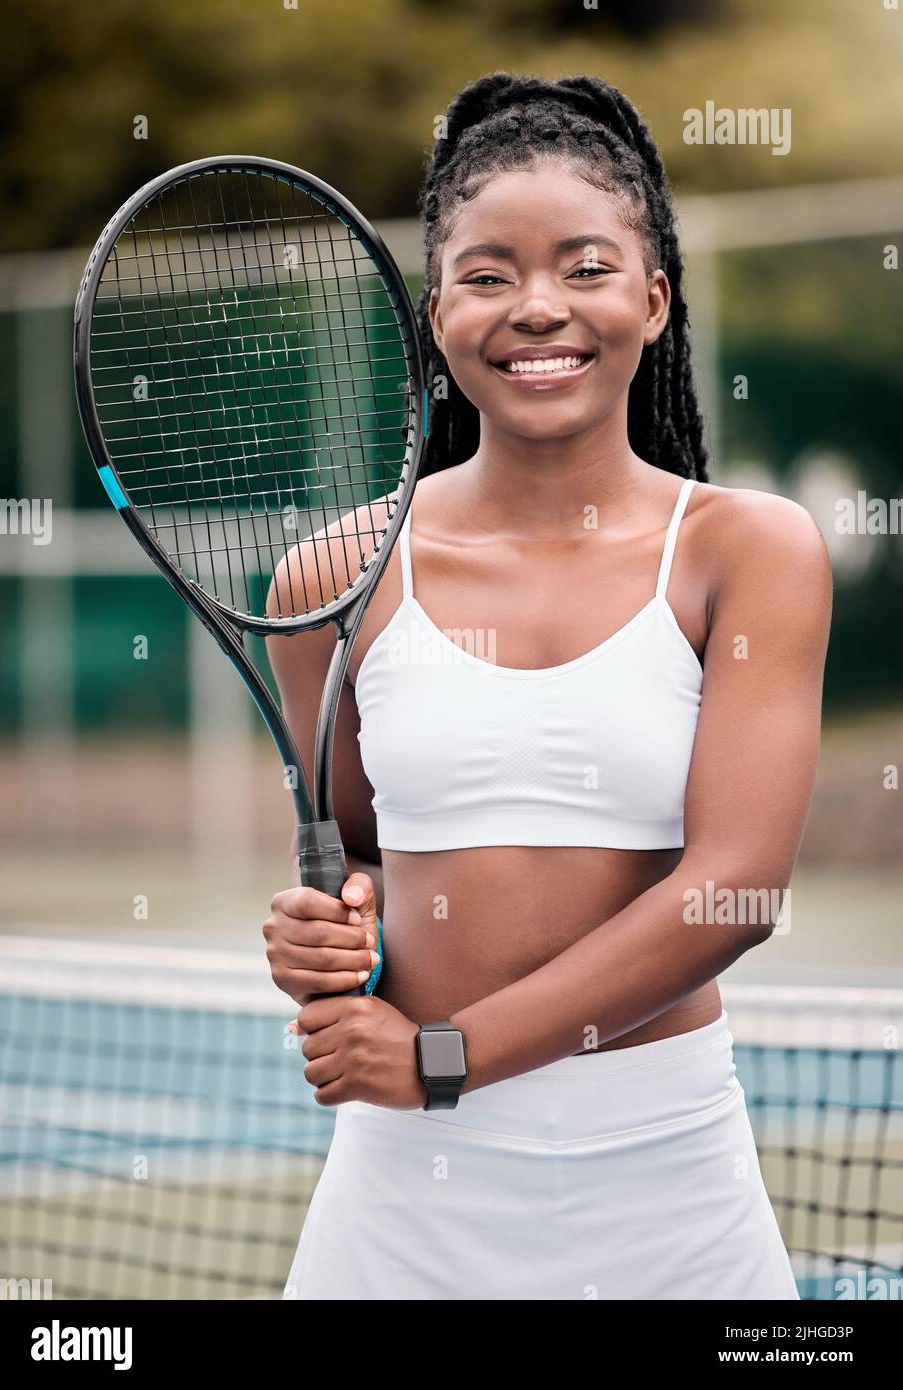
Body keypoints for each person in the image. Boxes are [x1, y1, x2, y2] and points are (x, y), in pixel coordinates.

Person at [263, 71, 832, 1300]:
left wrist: (449, 1054)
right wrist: (324, 928)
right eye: (486, 274)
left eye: (584, 267)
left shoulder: (751, 551)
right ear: (435, 313)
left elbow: (734, 892)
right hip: (402, 1197)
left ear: (654, 298)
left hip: (667, 1184)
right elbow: (357, 851)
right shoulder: (330, 575)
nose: (537, 308)